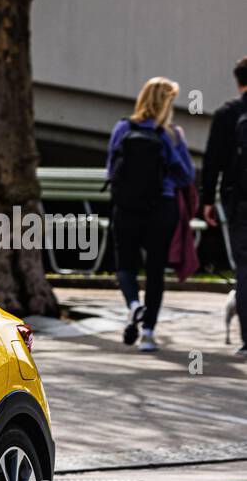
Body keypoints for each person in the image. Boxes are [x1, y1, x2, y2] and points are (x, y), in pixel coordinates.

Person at [106, 77, 195, 353]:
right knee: (155, 270)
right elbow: (187, 175)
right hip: (161, 208)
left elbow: (111, 170)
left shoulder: (123, 128)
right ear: (167, 104)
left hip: (127, 208)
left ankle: (134, 305)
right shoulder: (171, 134)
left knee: (125, 264)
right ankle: (148, 334)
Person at [201, 56, 247, 357]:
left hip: (238, 200)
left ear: (238, 81)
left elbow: (212, 160)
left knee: (244, 265)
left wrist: (207, 200)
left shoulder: (226, 114)